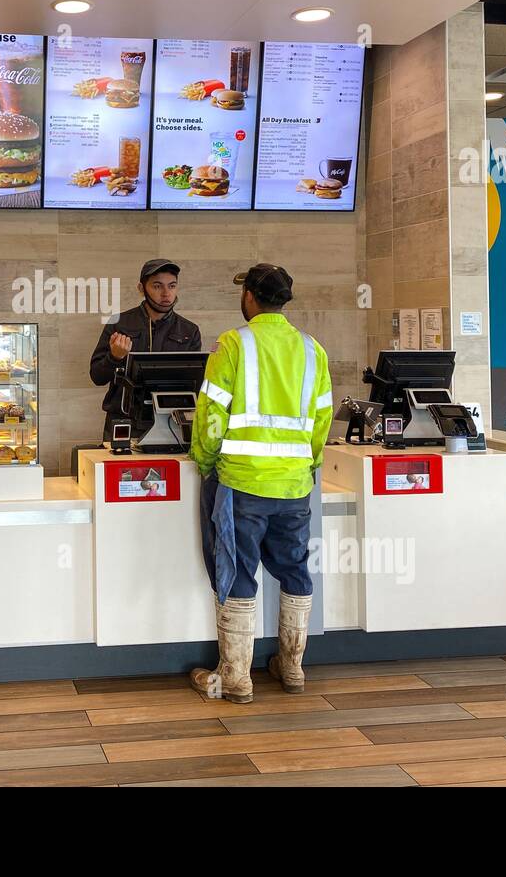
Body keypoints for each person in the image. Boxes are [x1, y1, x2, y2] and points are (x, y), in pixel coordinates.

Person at [188, 263, 333, 703]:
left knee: (236, 573)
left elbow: (211, 414)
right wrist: (308, 466)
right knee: (294, 570)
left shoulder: (233, 344)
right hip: (294, 487)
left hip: (242, 482)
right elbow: (322, 419)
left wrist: (205, 460)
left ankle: (235, 678)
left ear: (250, 296)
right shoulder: (312, 350)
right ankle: (292, 668)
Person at [89, 258, 202, 442]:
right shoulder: (119, 323)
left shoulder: (189, 330)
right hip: (123, 423)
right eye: (157, 286)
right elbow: (96, 376)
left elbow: (195, 384)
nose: (166, 293)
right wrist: (114, 357)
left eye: (172, 286)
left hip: (172, 424)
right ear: (141, 289)